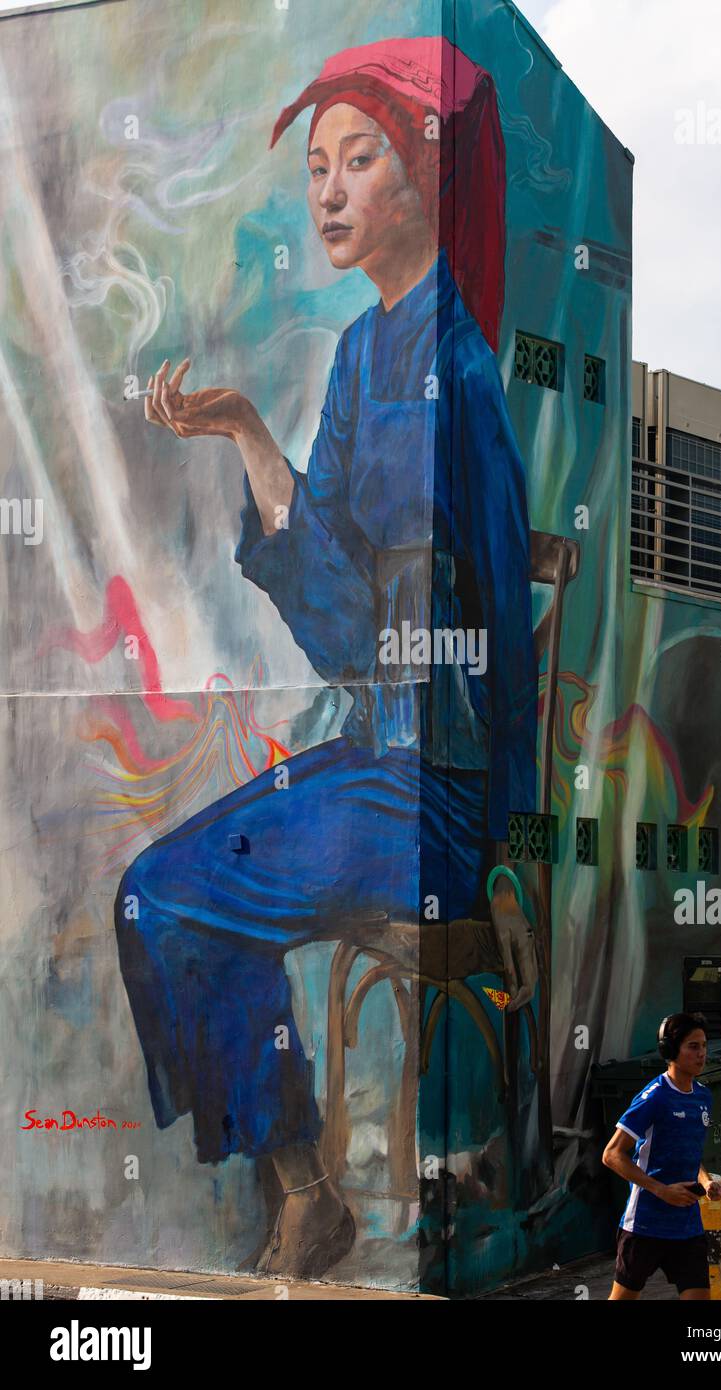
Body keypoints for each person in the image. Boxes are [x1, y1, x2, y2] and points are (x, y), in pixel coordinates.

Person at [112, 37, 539, 1280]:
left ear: (418, 177)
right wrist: (245, 428)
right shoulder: (362, 357)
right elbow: (340, 617)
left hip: (440, 799)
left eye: (361, 159)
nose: (330, 189)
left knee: (175, 887)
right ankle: (302, 1185)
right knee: (161, 892)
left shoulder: (457, 373)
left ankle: (301, 1187)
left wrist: (499, 846)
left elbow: (496, 628)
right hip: (371, 770)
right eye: (317, 167)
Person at [602, 1012, 721, 1300]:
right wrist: (661, 1190)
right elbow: (612, 1155)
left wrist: (706, 1182)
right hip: (645, 1224)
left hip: (687, 1225)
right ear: (671, 1051)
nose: (701, 1053)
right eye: (693, 1047)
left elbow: (691, 1155)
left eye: (704, 1045)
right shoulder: (654, 1096)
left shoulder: (703, 1097)